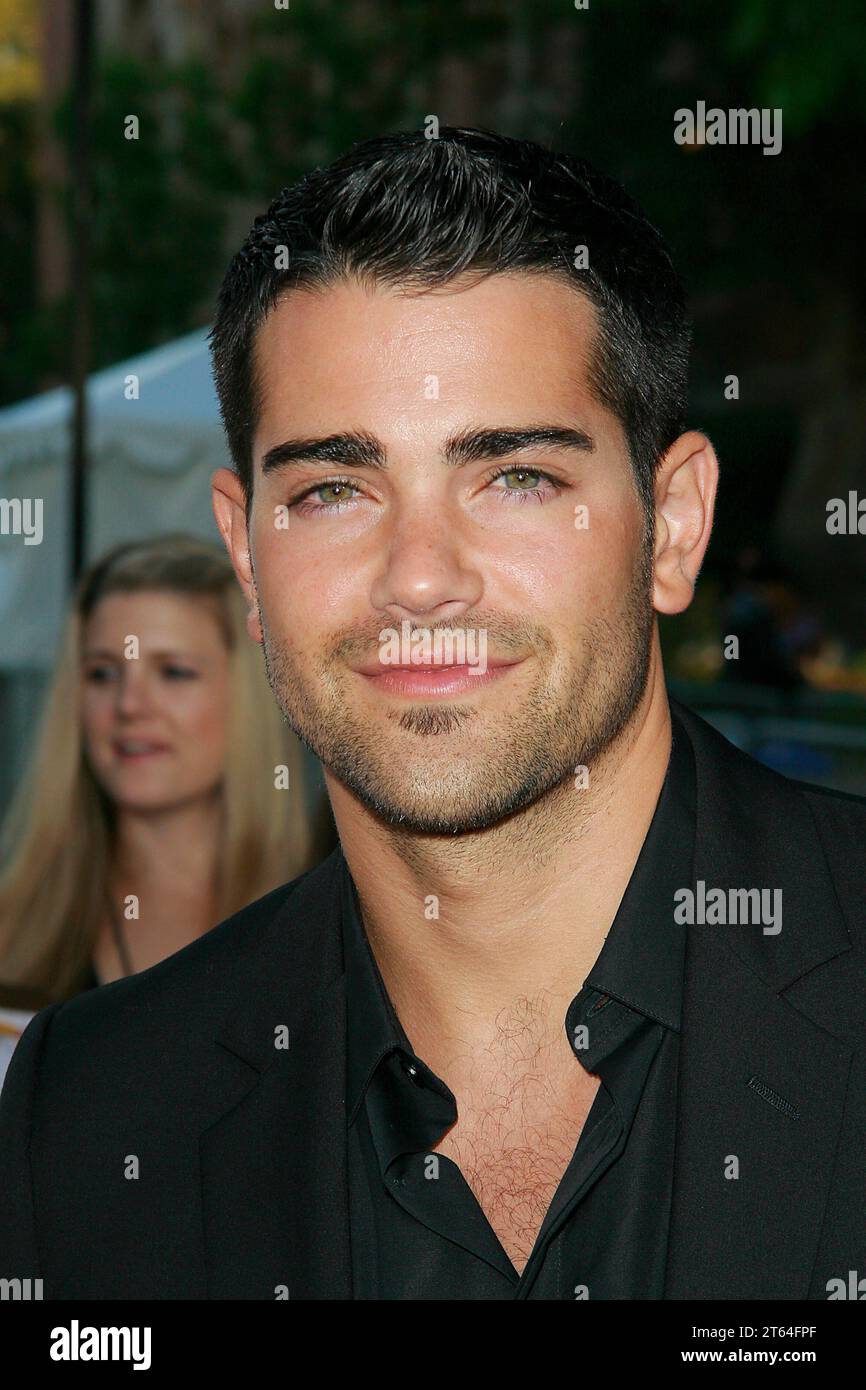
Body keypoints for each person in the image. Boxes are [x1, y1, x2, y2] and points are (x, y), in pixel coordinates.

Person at [1, 128, 863, 1300]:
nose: (418, 576)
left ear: (670, 527)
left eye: (513, 477)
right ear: (245, 558)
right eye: (333, 490)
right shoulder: (91, 1114)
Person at [0, 534, 331, 1015]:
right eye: (101, 673)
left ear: (248, 699)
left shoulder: (330, 923)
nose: (129, 705)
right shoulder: (15, 925)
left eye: (173, 672)